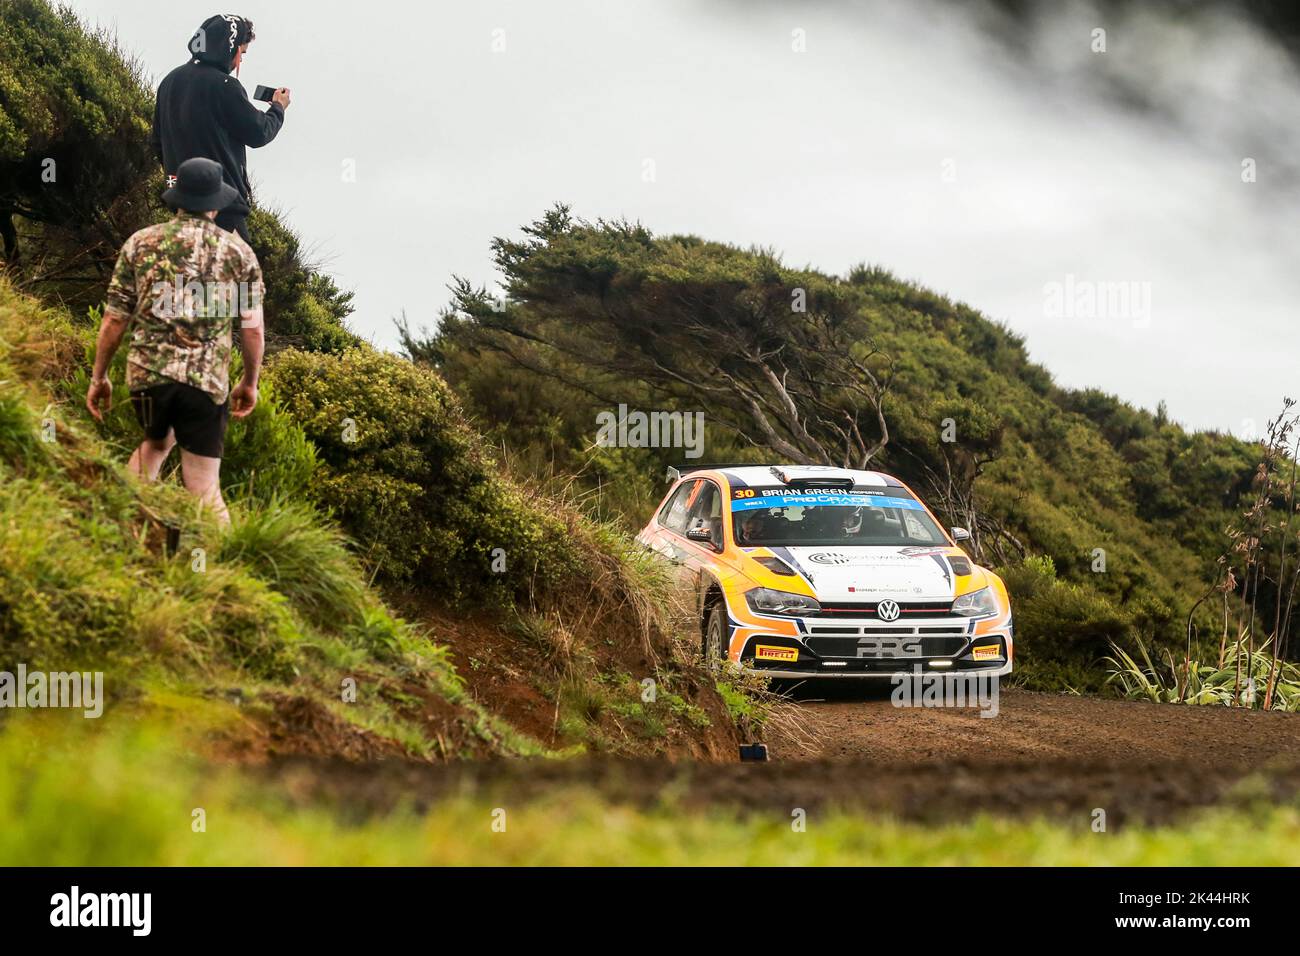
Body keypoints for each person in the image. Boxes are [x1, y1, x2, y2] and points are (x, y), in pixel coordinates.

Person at [85, 158, 265, 526]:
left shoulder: (141, 243)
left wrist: (99, 376)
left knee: (155, 443)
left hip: (148, 378)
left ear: (178, 198)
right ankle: (226, 569)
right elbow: (253, 329)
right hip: (205, 384)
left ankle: (117, 532)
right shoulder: (239, 253)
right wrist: (250, 382)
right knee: (202, 484)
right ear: (217, 203)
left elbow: (114, 318)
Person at [151, 14, 291, 241]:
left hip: (181, 206)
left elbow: (157, 142)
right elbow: (259, 132)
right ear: (231, 48)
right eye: (241, 53)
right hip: (222, 209)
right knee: (236, 274)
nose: (239, 62)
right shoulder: (225, 86)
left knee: (189, 274)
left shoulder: (169, 82)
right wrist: (278, 107)